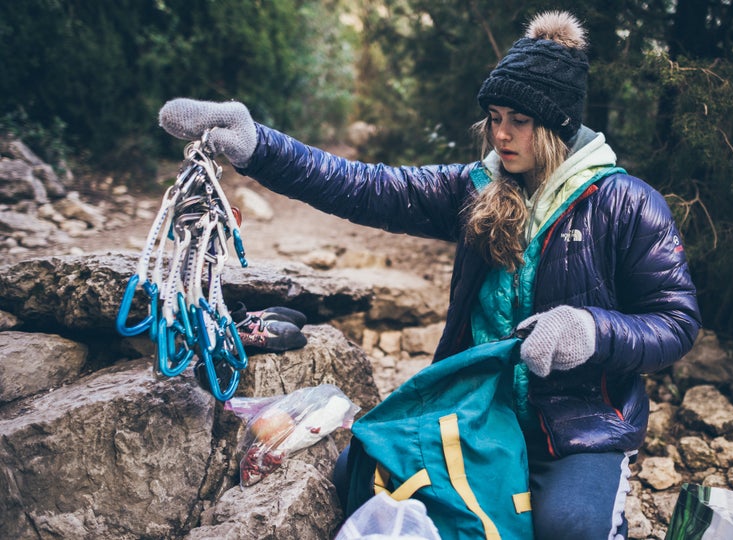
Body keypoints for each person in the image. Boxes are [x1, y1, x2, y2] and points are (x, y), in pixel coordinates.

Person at [160, 10, 701, 539]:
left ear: (557, 125)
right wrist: (258, 146)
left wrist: (592, 329)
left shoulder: (627, 204)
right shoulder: (475, 188)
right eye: (494, 117)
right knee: (357, 473)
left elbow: (676, 322)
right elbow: (361, 186)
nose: (501, 135)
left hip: (577, 425)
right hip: (476, 406)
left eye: (519, 121)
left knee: (570, 529)